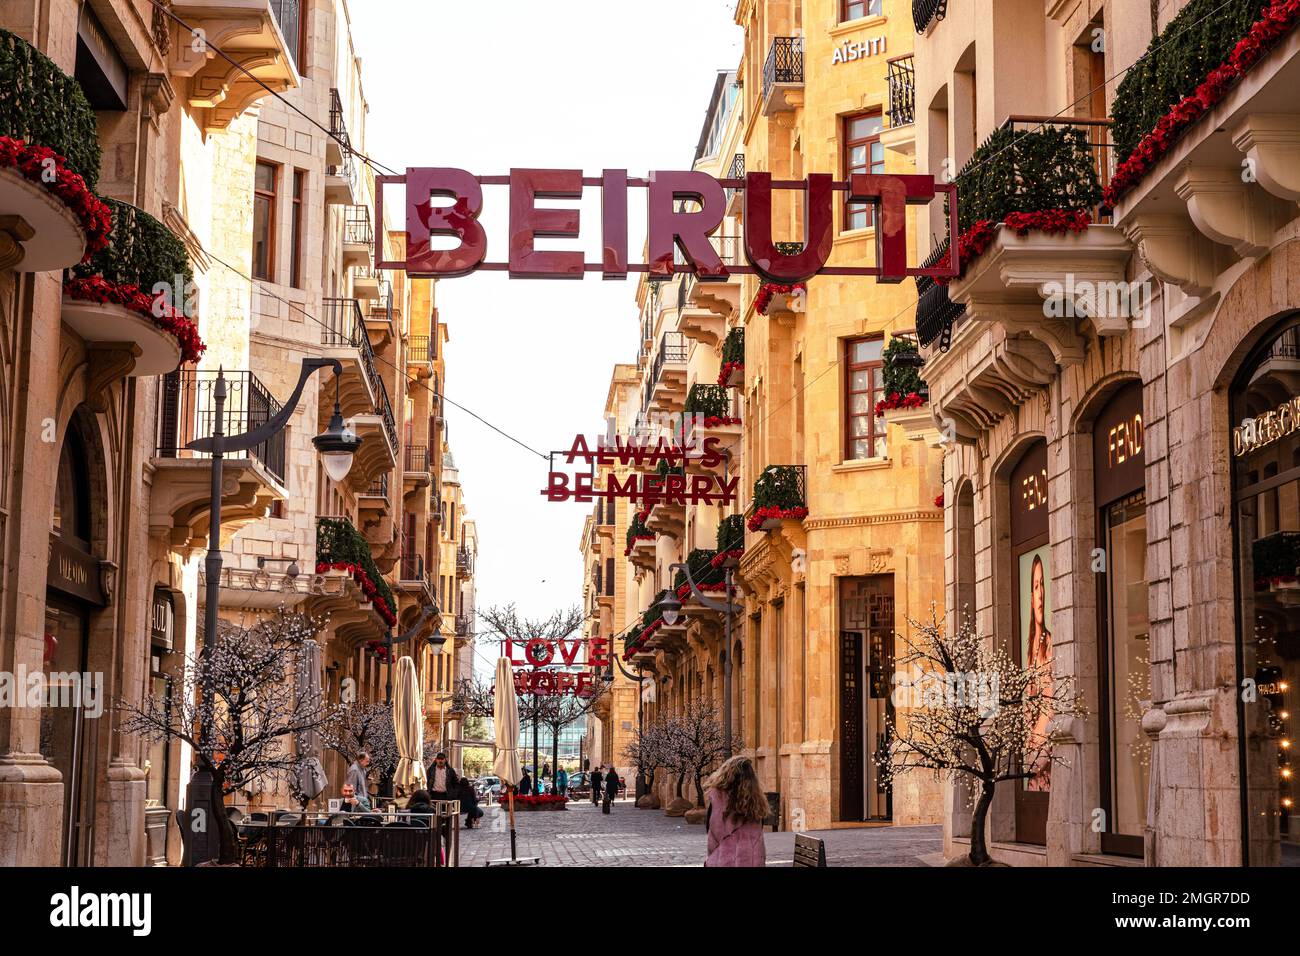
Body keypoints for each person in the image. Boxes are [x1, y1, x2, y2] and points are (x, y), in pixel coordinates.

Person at [703, 756, 768, 867]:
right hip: (752, 861)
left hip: (722, 860)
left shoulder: (717, 798)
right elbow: (759, 833)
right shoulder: (756, 801)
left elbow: (712, 832)